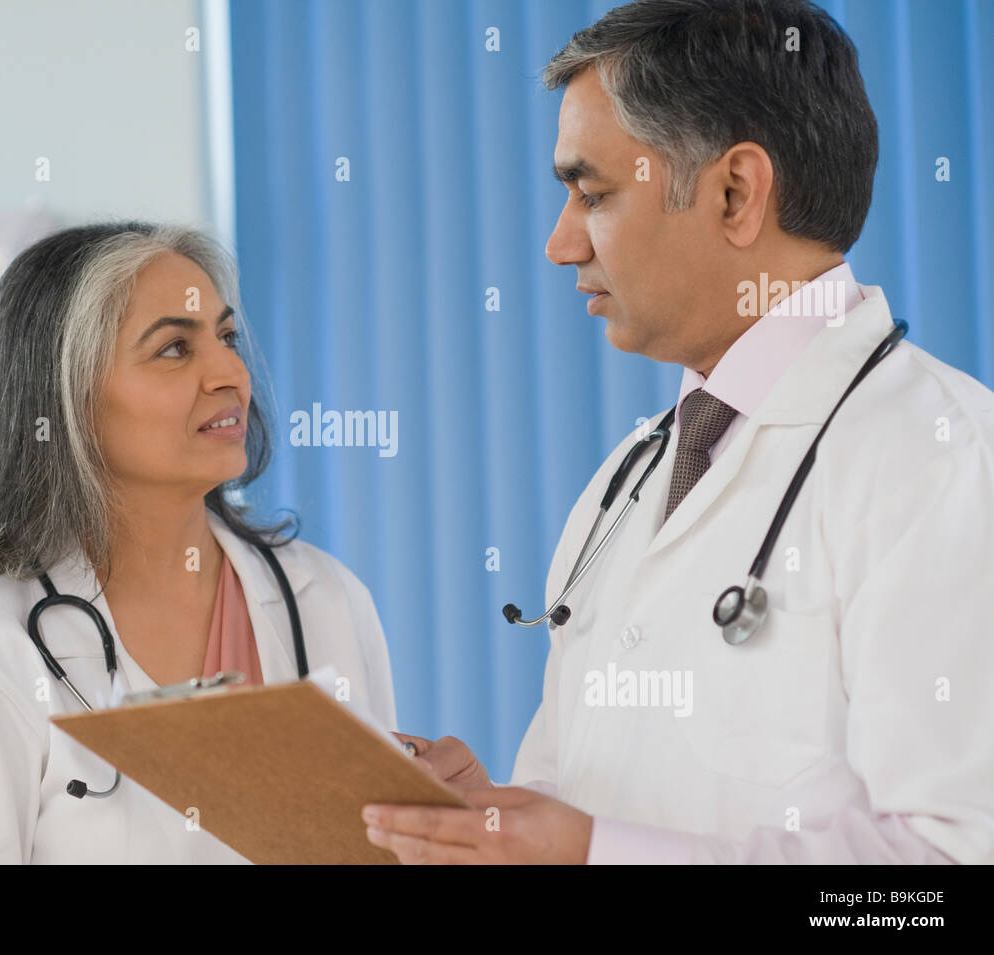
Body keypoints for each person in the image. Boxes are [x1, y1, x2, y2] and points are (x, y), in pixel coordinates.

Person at [363, 0, 994, 864]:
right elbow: (600, 806)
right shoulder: (630, 476)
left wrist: (595, 856)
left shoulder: (940, 460)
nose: (557, 244)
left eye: (593, 194)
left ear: (736, 192)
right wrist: (495, 816)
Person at [0, 221, 397, 863]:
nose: (230, 372)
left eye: (227, 337)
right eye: (175, 349)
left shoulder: (327, 602)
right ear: (68, 398)